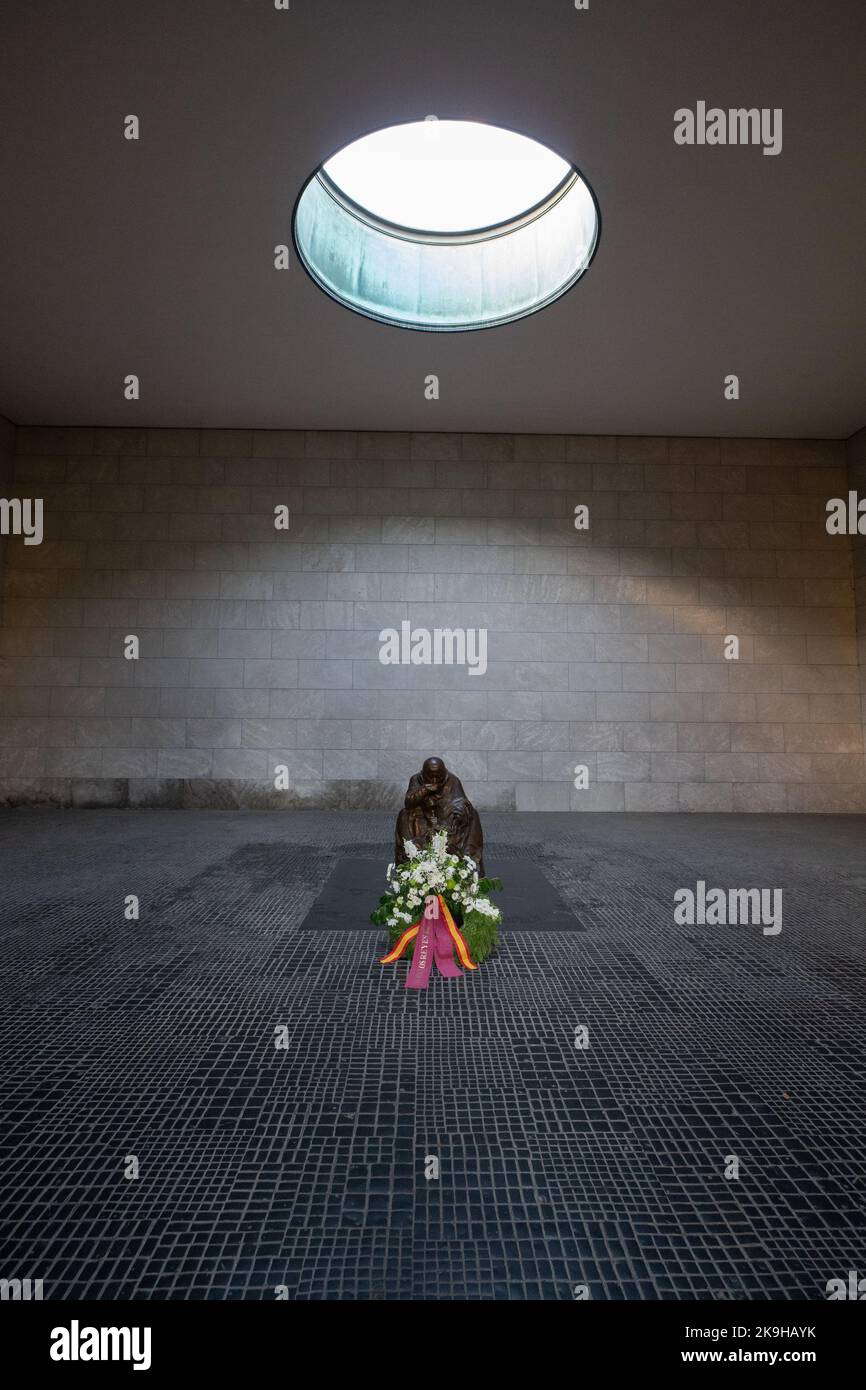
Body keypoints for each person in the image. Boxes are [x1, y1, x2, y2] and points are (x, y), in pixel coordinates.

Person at [394, 756, 485, 873]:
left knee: (472, 814)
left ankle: (469, 860)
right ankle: (411, 855)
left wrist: (454, 811)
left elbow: (461, 801)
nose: (434, 780)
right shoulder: (416, 779)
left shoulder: (453, 780)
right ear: (424, 774)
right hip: (423, 817)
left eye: (438, 776)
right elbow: (409, 802)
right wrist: (425, 790)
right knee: (404, 814)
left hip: (446, 819)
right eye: (430, 776)